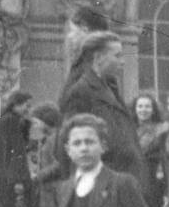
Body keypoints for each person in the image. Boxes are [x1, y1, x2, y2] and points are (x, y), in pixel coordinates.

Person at [58, 31, 148, 191]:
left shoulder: (111, 88)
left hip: (124, 183)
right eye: (117, 56)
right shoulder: (81, 92)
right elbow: (72, 146)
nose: (123, 61)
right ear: (99, 58)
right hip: (102, 188)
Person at [26, 101, 63, 207]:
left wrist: (38, 175)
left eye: (37, 122)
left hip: (53, 193)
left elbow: (59, 164)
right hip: (50, 193)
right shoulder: (50, 139)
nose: (35, 126)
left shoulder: (54, 140)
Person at [133, 94, 167, 207]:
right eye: (140, 106)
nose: (143, 110)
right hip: (132, 175)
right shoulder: (129, 129)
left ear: (153, 110)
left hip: (152, 176)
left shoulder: (160, 129)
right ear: (135, 109)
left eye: (147, 106)